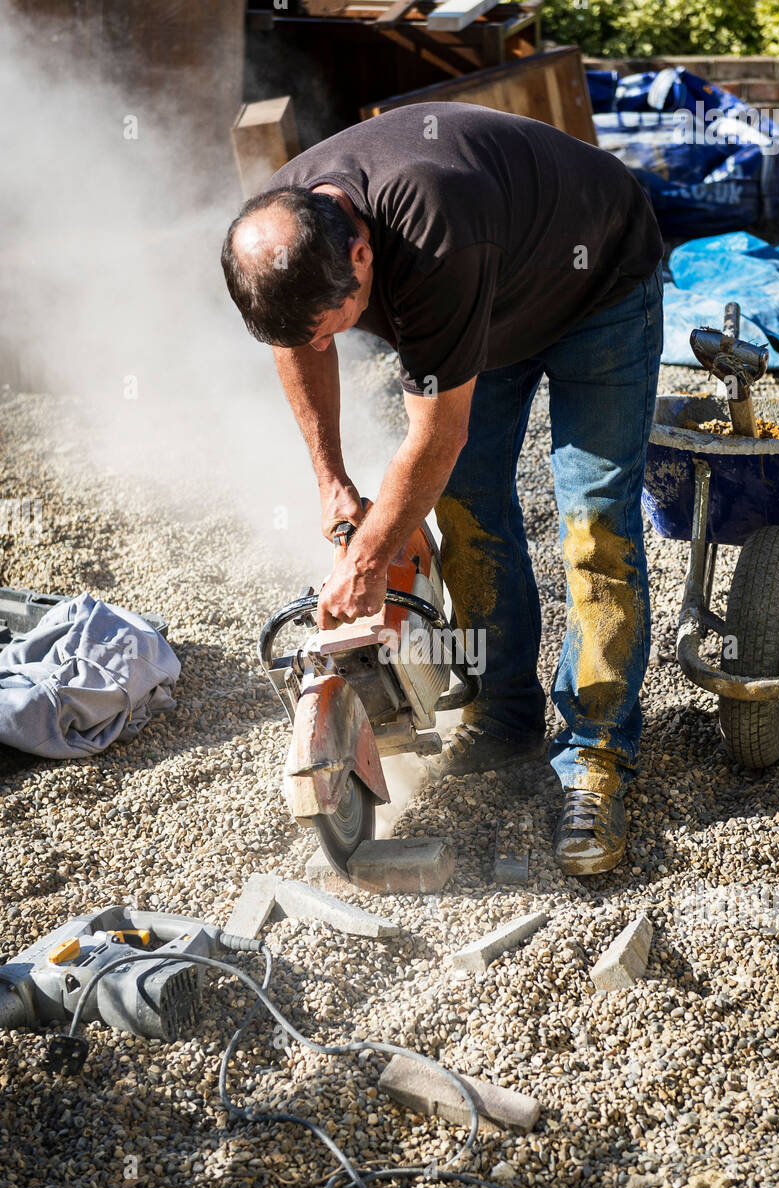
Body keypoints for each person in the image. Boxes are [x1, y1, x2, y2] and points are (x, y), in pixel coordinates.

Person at [221, 102, 664, 875]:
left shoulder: (433, 230)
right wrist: (331, 481)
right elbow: (301, 340)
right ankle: (505, 713)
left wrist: (366, 560)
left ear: (362, 255)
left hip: (598, 284)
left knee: (593, 523)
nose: (326, 341)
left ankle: (595, 752)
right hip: (484, 304)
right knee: (462, 506)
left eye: (338, 322)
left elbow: (436, 436)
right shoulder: (280, 231)